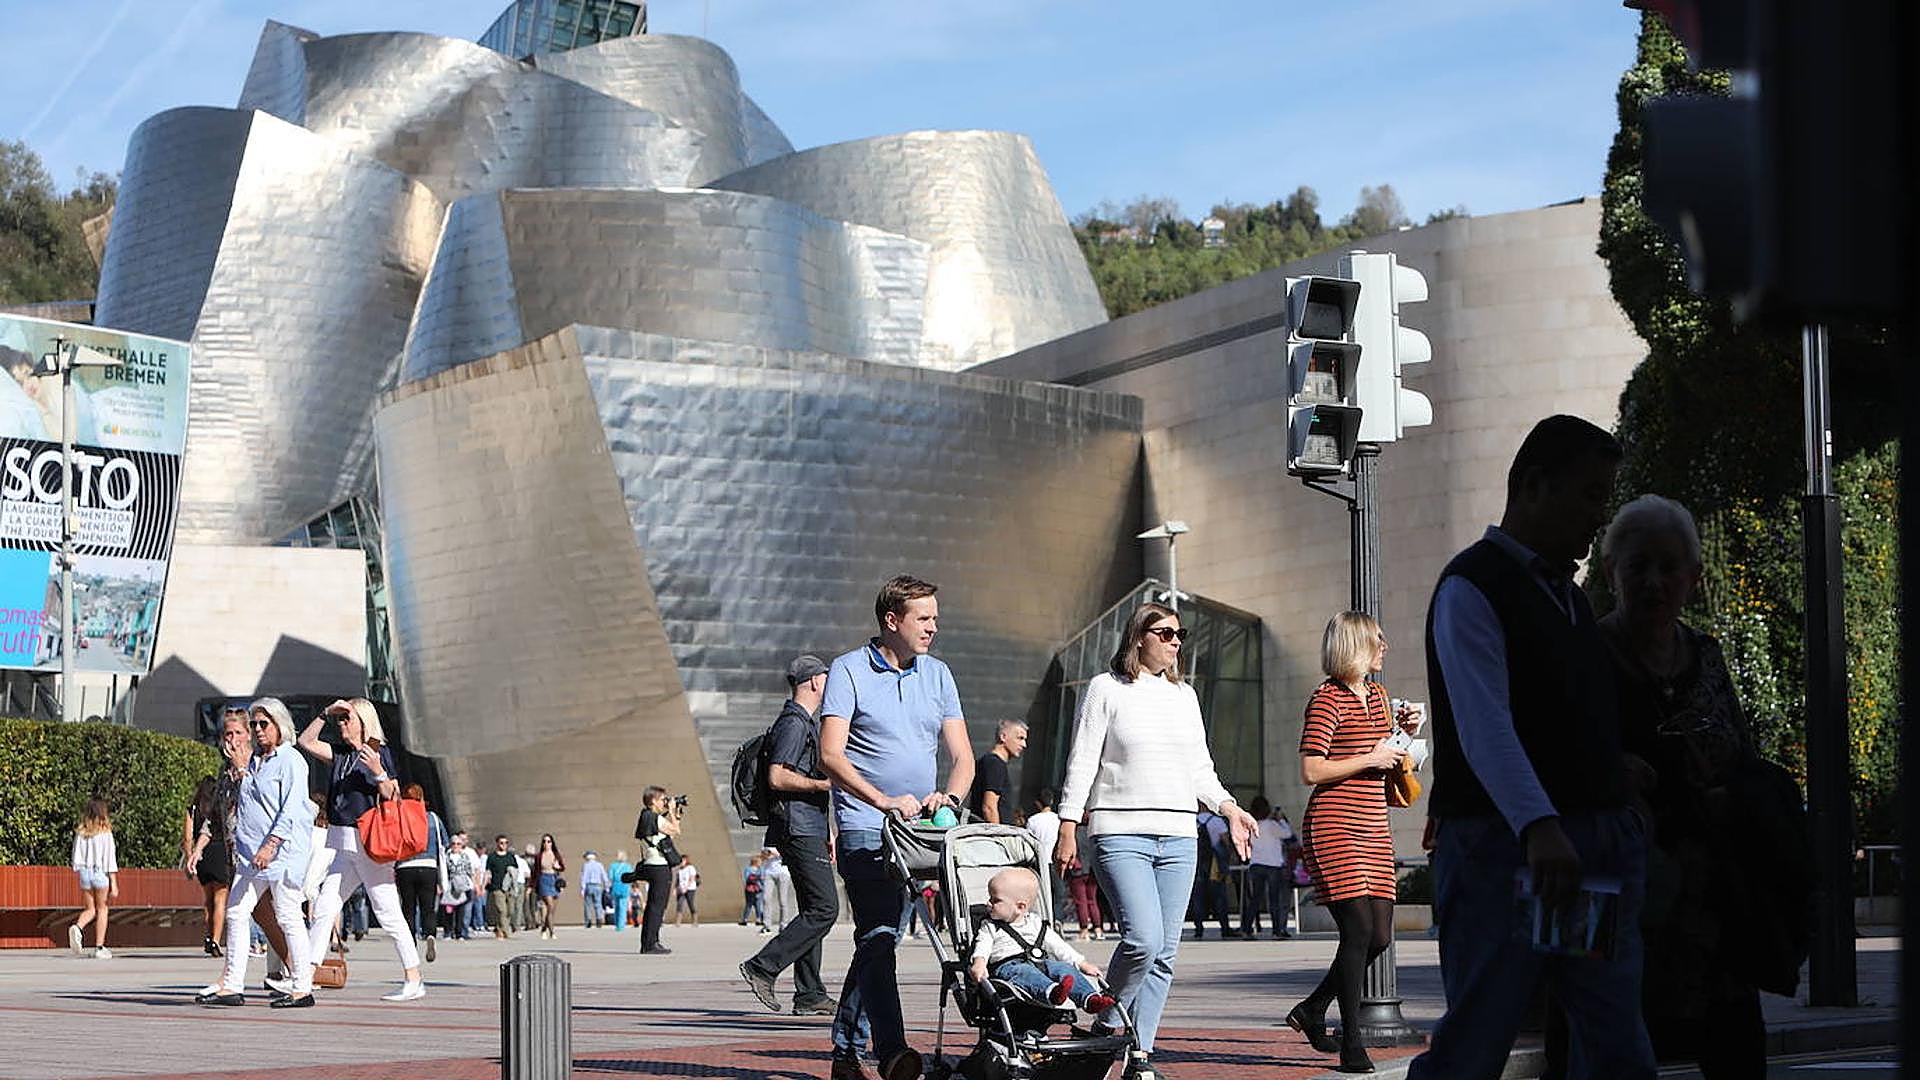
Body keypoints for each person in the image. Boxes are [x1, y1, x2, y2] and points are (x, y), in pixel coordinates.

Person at [1406, 415, 1655, 1080]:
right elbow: (1485, 724)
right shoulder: (1475, 584)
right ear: (1533, 487)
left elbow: (1552, 716)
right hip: (1505, 847)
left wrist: (1609, 771)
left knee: (1612, 1038)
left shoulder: (1564, 597)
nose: (1596, 517)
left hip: (1573, 844)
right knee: (1481, 1035)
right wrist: (1539, 823)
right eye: (1589, 495)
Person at [1593, 494, 1793, 1077]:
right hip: (1624, 900)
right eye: (1637, 566)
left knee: (1733, 1051)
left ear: (1693, 577)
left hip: (1712, 905)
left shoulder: (1705, 655)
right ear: (1612, 573)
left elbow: (1743, 753)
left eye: (1669, 567)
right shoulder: (1588, 652)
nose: (1653, 582)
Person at [1054, 601, 1256, 1075]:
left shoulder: (1184, 696)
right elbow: (1082, 760)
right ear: (1138, 637)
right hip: (1119, 832)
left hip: (1179, 836)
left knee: (1164, 953)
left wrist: (1229, 808)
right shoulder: (1107, 689)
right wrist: (1067, 824)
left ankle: (1139, 1055)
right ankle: (1108, 1019)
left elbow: (1199, 768)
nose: (1175, 642)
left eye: (1179, 634)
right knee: (1143, 939)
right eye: (1165, 633)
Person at [819, 574, 975, 1080]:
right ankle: (892, 1053)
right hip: (866, 824)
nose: (934, 626)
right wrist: (882, 800)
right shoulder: (848, 670)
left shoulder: (938, 674)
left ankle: (845, 1051)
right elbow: (829, 755)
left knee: (877, 938)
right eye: (923, 618)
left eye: (935, 616)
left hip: (919, 833)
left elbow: (963, 758)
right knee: (881, 932)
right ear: (893, 621)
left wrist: (947, 796)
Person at [1285, 611, 1417, 1073]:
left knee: (1379, 936)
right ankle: (1351, 1044)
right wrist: (1371, 755)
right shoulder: (1327, 699)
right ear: (1355, 645)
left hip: (1373, 826)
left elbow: (1388, 753)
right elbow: (1310, 770)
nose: (1385, 647)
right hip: (1334, 825)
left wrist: (1407, 736)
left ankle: (1313, 1008)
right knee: (1358, 930)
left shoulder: (1378, 696)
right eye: (1378, 640)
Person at [295, 697, 425, 1002]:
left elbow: (392, 793)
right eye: (340, 720)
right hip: (342, 844)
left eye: (347, 719)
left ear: (363, 722)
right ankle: (306, 974)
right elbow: (305, 741)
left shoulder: (377, 752)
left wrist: (378, 770)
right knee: (326, 907)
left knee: (388, 911)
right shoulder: (341, 754)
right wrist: (326, 712)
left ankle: (414, 977)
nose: (342, 724)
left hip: (369, 844)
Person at [200, 697, 316, 1008]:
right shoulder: (254, 761)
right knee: (237, 911)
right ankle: (233, 983)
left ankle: (302, 987)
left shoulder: (291, 760)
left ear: (280, 725)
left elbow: (290, 808)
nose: (258, 730)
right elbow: (248, 804)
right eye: (254, 724)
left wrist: (271, 844)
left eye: (264, 724)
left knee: (289, 915)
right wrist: (241, 770)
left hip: (281, 853)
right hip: (251, 856)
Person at [741, 654, 840, 1016]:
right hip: (797, 827)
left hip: (807, 825)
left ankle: (810, 993)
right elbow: (777, 776)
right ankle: (762, 967)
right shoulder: (794, 723)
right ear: (814, 681)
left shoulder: (805, 722)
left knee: (813, 908)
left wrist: (827, 827)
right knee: (826, 908)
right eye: (827, 678)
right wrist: (822, 784)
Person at [968, 867, 1118, 1014]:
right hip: (1008, 966)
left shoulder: (1035, 922)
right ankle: (1053, 993)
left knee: (1064, 969)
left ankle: (1089, 999)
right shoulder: (989, 925)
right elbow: (983, 945)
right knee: (1026, 973)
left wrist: (1081, 963)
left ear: (1020, 907)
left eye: (995, 900)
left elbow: (1058, 946)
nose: (988, 904)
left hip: (1040, 962)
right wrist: (979, 963)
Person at [393, 784, 448, 962]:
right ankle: (430, 935)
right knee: (428, 907)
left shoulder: (399, 815)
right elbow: (443, 843)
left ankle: (410, 944)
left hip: (405, 867)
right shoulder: (432, 817)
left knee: (408, 908)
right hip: (428, 866)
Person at [183, 772, 233, 957]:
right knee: (220, 899)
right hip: (219, 851)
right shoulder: (219, 807)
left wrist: (190, 857)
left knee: (208, 900)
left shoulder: (193, 810)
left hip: (201, 853)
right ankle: (216, 940)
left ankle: (208, 933)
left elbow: (187, 837)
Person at [631, 786, 683, 953]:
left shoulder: (646, 817)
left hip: (650, 865)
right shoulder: (655, 818)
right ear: (653, 800)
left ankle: (648, 943)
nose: (665, 803)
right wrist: (673, 811)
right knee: (657, 907)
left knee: (653, 907)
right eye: (662, 800)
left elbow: (670, 834)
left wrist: (675, 815)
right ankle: (651, 944)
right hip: (659, 867)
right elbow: (676, 830)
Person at [68, 798, 118, 959]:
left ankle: (78, 926)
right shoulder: (105, 833)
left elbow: (76, 855)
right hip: (100, 872)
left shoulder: (82, 833)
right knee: (102, 908)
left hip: (85, 872)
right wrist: (114, 883)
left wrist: (79, 868)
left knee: (90, 909)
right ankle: (99, 946)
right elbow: (110, 859)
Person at [1242, 797, 1291, 939]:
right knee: (1274, 899)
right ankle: (1276, 931)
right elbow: (1287, 834)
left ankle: (1246, 929)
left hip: (1256, 864)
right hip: (1272, 865)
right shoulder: (1271, 825)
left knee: (1255, 899)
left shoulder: (1251, 824)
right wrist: (1281, 820)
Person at [967, 719, 1027, 823]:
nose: (1024, 744)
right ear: (1003, 737)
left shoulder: (990, 762)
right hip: (990, 834)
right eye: (1020, 738)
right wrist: (997, 836)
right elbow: (989, 807)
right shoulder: (994, 764)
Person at [1024, 790, 1067, 923]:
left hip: (1039, 861)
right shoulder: (1058, 819)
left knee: (1042, 894)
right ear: (1052, 801)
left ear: (1037, 803)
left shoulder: (1032, 820)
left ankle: (1044, 919)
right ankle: (1057, 919)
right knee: (1058, 893)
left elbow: (1029, 841)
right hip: (1055, 860)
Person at [442, 833, 478, 940]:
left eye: (458, 844)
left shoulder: (464, 856)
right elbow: (443, 871)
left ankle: (459, 932)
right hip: (450, 885)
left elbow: (470, 871)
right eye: (454, 844)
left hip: (462, 885)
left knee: (461, 910)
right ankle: (448, 931)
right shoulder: (446, 856)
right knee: (449, 909)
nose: (456, 846)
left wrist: (475, 884)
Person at [532, 834, 566, 939]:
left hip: (554, 880)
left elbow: (562, 868)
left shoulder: (556, 854)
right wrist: (532, 886)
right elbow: (535, 871)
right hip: (543, 879)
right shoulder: (539, 856)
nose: (546, 843)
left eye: (548, 841)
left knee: (552, 910)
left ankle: (544, 928)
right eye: (544, 841)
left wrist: (557, 867)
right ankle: (552, 932)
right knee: (549, 905)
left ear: (552, 843)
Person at [485, 835, 519, 939]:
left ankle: (499, 928)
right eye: (501, 843)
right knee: (502, 910)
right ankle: (506, 932)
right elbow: (488, 871)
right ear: (497, 844)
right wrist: (485, 884)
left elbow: (516, 871)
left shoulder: (510, 856)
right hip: (497, 887)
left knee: (510, 910)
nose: (503, 845)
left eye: (505, 843)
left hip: (509, 887)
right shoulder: (492, 857)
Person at [760, 847, 793, 931]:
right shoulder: (766, 839)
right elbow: (763, 855)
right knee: (765, 899)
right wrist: (773, 854)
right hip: (769, 872)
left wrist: (772, 852)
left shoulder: (783, 838)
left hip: (783, 872)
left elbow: (786, 853)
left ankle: (783, 924)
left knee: (783, 900)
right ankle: (766, 925)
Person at [580, 851, 610, 928]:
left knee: (588, 904)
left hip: (589, 885)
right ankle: (599, 919)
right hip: (598, 886)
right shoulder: (599, 865)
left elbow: (584, 877)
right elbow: (604, 875)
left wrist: (582, 889)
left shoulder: (586, 865)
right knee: (598, 904)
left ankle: (588, 920)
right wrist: (607, 886)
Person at [607, 850, 635, 933]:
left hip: (616, 886)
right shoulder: (628, 866)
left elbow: (610, 876)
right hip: (625, 886)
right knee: (623, 906)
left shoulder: (613, 866)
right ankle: (621, 925)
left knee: (616, 906)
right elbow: (631, 876)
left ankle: (617, 924)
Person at [671, 855, 699, 926]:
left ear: (686, 860)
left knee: (690, 904)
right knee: (679, 904)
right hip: (681, 889)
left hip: (690, 889)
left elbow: (692, 878)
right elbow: (677, 881)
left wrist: (686, 887)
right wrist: (675, 889)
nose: (681, 862)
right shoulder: (679, 870)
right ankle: (678, 921)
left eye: (683, 860)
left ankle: (695, 921)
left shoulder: (690, 868)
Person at [740, 854, 767, 929]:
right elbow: (762, 878)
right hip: (756, 888)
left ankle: (746, 919)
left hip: (752, 889)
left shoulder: (749, 869)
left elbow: (747, 878)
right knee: (755, 904)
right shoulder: (759, 869)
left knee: (751, 905)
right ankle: (757, 919)